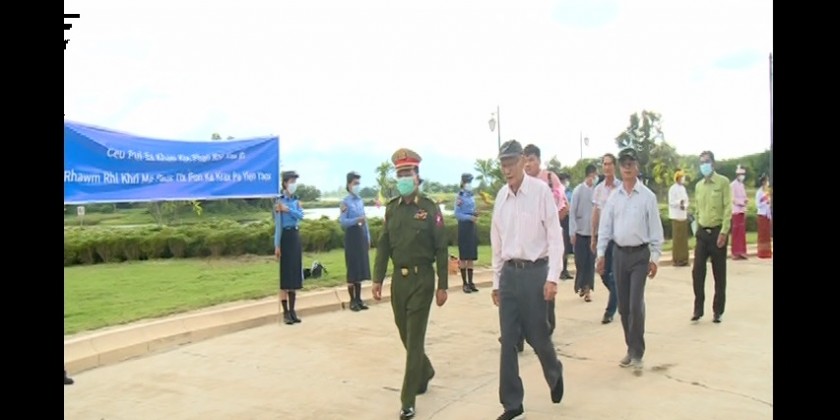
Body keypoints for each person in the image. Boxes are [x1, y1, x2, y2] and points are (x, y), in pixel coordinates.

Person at [372, 148, 449, 420]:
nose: (404, 178)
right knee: (404, 334)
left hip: (422, 280)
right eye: (400, 174)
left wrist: (442, 285)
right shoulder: (392, 209)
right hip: (399, 282)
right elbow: (383, 245)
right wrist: (377, 278)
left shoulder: (429, 208)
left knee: (415, 340)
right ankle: (425, 370)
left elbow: (441, 248)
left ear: (417, 176)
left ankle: (408, 400)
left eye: (408, 173)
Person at [491, 140, 565, 420]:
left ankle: (554, 370)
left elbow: (555, 236)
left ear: (523, 161)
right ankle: (512, 403)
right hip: (510, 275)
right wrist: (496, 282)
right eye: (503, 164)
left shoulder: (540, 192)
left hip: (536, 273)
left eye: (512, 163)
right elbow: (497, 243)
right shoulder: (501, 197)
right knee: (508, 339)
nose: (507, 169)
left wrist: (553, 277)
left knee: (538, 336)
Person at [596, 147, 664, 371]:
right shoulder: (614, 198)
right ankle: (630, 347)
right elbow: (605, 228)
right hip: (619, 254)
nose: (627, 168)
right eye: (623, 164)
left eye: (630, 164)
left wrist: (655, 258)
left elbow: (656, 231)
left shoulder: (647, 197)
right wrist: (601, 254)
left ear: (637, 167)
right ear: (619, 167)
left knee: (636, 304)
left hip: (640, 256)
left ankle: (638, 350)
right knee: (624, 306)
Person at [691, 151, 732, 323]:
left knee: (719, 273)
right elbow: (697, 209)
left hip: (717, 232)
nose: (704, 165)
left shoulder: (723, 182)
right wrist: (696, 229)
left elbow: (728, 207)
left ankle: (718, 310)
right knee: (697, 271)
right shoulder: (699, 186)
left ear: (713, 163)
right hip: (702, 233)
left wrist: (724, 231)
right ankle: (698, 308)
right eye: (701, 162)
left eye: (706, 162)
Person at [591, 153, 622, 324]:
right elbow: (595, 214)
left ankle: (610, 311)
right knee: (603, 273)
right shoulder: (598, 189)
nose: (607, 167)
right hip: (603, 238)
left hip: (617, 238)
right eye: (604, 164)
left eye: (610, 164)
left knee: (615, 276)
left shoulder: (621, 187)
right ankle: (620, 296)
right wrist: (593, 236)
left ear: (614, 166)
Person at [275, 170, 305, 325]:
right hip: (285, 237)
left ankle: (293, 311)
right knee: (285, 277)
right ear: (285, 183)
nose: (293, 184)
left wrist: (288, 210)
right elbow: (278, 226)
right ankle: (285, 312)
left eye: (295, 181)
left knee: (294, 275)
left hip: (295, 236)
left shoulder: (295, 201)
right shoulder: (279, 201)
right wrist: (277, 245)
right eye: (291, 181)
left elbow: (301, 216)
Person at [339, 171, 372, 311]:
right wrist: (356, 220)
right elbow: (343, 221)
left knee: (360, 268)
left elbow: (365, 221)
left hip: (360, 236)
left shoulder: (360, 201)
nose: (357, 186)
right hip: (351, 236)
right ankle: (352, 300)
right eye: (355, 183)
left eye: (358, 183)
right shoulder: (345, 202)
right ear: (349, 185)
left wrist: (368, 237)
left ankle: (359, 299)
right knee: (352, 269)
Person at [569, 164, 598, 302]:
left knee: (590, 262)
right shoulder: (578, 191)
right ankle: (581, 285)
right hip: (580, 232)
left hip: (593, 234)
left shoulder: (597, 191)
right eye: (594, 175)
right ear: (590, 175)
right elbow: (572, 212)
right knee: (581, 262)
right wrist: (572, 232)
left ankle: (587, 289)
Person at [454, 173, 480, 293]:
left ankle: (471, 282)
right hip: (464, 227)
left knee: (471, 256)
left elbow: (471, 210)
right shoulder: (460, 197)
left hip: (472, 227)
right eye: (468, 182)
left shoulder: (471, 196)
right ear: (464, 182)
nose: (469, 184)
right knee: (464, 256)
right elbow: (457, 214)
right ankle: (464, 283)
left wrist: (475, 213)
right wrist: (469, 217)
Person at [668, 170, 691, 266]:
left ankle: (684, 259)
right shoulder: (672, 189)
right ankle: (677, 260)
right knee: (677, 239)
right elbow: (671, 202)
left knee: (683, 240)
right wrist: (679, 203)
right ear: (677, 178)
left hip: (683, 215)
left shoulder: (683, 188)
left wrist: (685, 205)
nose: (683, 179)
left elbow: (687, 200)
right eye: (682, 177)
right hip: (676, 216)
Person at [557, 172, 574, 280]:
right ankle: (560, 270)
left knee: (566, 246)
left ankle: (565, 269)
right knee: (561, 245)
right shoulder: (557, 191)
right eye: (564, 180)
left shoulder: (570, 192)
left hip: (568, 219)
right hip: (560, 219)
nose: (566, 182)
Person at [730, 165, 749, 260]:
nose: (742, 176)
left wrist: (746, 201)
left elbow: (744, 196)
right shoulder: (733, 185)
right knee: (736, 231)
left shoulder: (742, 185)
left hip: (742, 210)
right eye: (741, 174)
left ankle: (742, 251)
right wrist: (741, 203)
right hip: (736, 211)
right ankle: (735, 252)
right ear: (737, 174)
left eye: (743, 174)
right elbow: (733, 198)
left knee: (742, 232)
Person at [756, 174, 772, 259]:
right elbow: (758, 204)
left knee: (767, 234)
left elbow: (768, 203)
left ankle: (767, 252)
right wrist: (764, 201)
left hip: (767, 215)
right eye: (766, 181)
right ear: (763, 182)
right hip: (761, 214)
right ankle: (762, 253)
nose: (767, 183)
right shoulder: (759, 192)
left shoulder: (767, 192)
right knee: (762, 235)